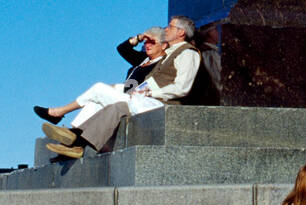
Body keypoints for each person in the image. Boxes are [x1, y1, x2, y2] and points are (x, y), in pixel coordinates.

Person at [40, 17, 201, 159]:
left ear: (181, 33)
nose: (166, 29)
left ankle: (68, 128)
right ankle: (74, 143)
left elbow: (182, 87)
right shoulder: (166, 53)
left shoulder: (188, 53)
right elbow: (127, 56)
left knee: (98, 90)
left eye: (170, 27)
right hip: (142, 99)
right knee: (100, 101)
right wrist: (141, 38)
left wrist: (151, 92)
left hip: (161, 105)